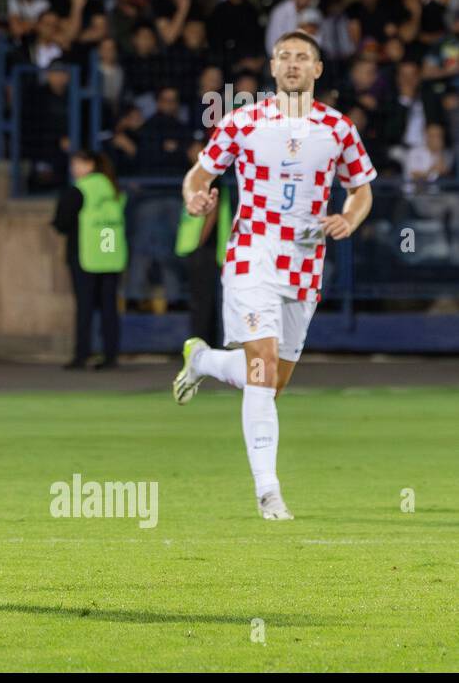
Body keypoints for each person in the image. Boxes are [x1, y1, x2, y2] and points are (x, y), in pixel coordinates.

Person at [173, 31, 376, 520]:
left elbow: (361, 189)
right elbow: (200, 175)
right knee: (261, 370)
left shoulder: (338, 129)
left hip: (304, 263)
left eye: (302, 57)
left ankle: (202, 361)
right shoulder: (242, 122)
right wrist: (194, 198)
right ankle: (269, 492)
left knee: (268, 382)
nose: (292, 64)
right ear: (271, 66)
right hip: (252, 256)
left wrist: (349, 218)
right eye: (284, 56)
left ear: (318, 69)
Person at [51, 149, 126, 370]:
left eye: (78, 164)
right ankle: (111, 355)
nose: (74, 169)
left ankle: (82, 355)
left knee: (84, 308)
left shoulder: (80, 190)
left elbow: (61, 221)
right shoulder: (113, 188)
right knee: (109, 308)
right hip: (111, 256)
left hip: (84, 255)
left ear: (90, 165)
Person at [174, 141, 231, 348]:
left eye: (196, 148)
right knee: (203, 299)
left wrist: (199, 242)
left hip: (205, 249)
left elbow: (212, 214)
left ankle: (203, 346)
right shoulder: (199, 177)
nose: (191, 151)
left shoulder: (209, 179)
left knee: (202, 301)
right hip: (200, 248)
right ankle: (206, 345)